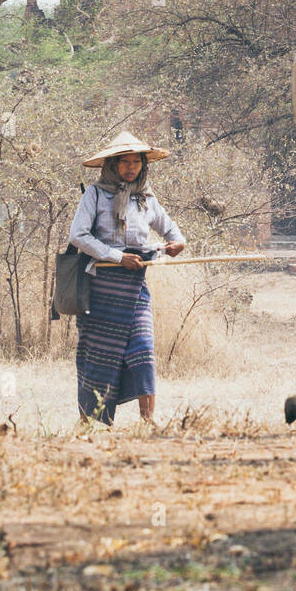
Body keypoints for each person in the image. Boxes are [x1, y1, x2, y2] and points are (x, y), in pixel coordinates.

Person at [68, 131, 186, 425]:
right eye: (125, 162)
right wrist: (118, 257)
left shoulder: (146, 199)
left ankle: (147, 422)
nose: (131, 167)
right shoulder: (94, 195)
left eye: (136, 162)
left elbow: (172, 232)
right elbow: (78, 236)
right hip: (99, 288)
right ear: (112, 164)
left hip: (135, 290)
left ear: (143, 166)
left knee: (143, 351)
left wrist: (176, 244)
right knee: (98, 356)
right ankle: (88, 422)